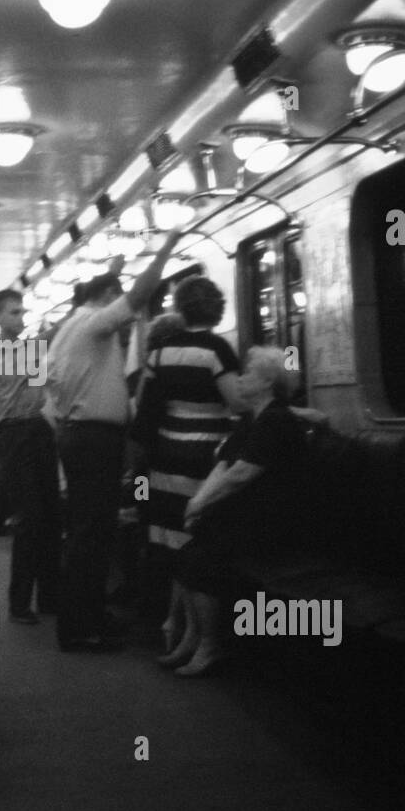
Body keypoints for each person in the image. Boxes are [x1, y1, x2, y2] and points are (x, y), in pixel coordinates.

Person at [45, 229, 184, 651]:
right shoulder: (92, 324)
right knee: (91, 535)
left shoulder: (67, 330)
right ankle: (79, 628)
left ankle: (91, 616)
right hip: (94, 439)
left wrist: (113, 270)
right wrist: (167, 246)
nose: (125, 327)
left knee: (93, 532)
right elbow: (138, 296)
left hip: (80, 436)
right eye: (116, 301)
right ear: (107, 298)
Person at [168, 346, 311, 676]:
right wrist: (197, 504)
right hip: (254, 515)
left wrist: (200, 504)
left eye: (247, 373)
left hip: (280, 522)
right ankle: (193, 637)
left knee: (201, 560)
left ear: (267, 381)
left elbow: (242, 474)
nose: (240, 379)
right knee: (189, 552)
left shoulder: (276, 420)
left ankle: (209, 645)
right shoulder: (252, 420)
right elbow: (223, 466)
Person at [140, 278, 241, 656]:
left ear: (180, 308)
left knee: (174, 544)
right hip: (204, 456)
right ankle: (195, 634)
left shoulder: (159, 353)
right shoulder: (217, 349)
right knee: (197, 543)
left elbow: (145, 410)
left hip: (166, 455)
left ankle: (177, 627)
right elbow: (236, 402)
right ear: (216, 309)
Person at [0, 289, 60, 625]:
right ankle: (19, 603)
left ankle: (50, 597)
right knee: (29, 519)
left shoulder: (33, 350)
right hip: (12, 434)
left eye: (22, 312)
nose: (21, 317)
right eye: (13, 312)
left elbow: (55, 335)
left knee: (51, 516)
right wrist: (1, 447)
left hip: (39, 429)